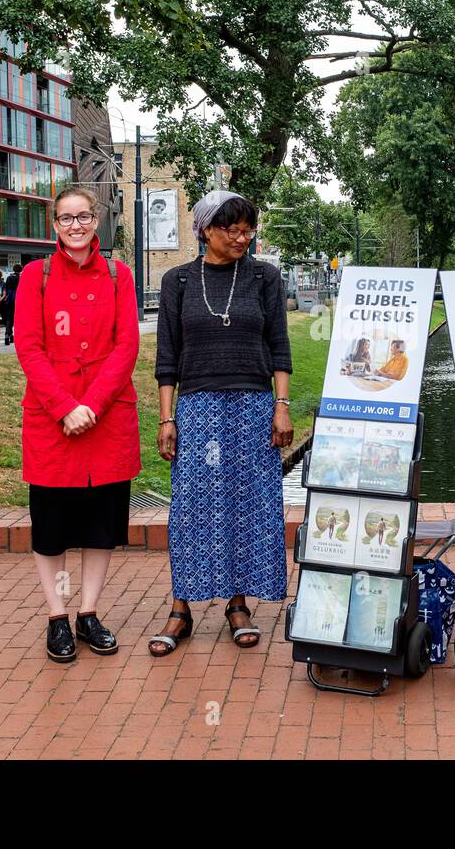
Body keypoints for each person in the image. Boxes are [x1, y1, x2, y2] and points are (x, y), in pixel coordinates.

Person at [151, 189, 294, 657]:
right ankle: (181, 608)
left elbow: (279, 345)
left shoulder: (263, 277)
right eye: (232, 229)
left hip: (253, 405)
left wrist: (282, 404)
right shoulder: (178, 281)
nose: (243, 237)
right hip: (197, 406)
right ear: (205, 230)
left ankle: (238, 605)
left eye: (248, 228)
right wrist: (167, 417)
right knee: (191, 508)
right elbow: (167, 356)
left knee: (247, 504)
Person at [13, 186, 140, 664]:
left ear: (97, 221)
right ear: (54, 225)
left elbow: (126, 345)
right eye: (66, 218)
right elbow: (29, 347)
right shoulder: (35, 276)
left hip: (105, 421)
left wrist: (93, 404)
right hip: (54, 422)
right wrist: (66, 407)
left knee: (99, 523)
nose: (76, 225)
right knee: (50, 525)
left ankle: (88, 612)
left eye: (84, 216)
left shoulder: (118, 275)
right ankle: (56, 616)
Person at [3, 263, 21, 345]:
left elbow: (6, 289)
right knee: (19, 319)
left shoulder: (9, 278)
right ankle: (16, 336)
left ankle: (7, 334)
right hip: (19, 300)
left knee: (9, 318)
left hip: (10, 300)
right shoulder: (21, 278)